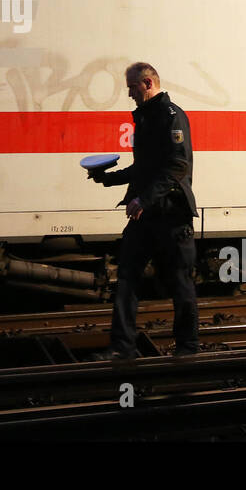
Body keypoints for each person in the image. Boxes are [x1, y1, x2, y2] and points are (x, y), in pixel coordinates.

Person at [88, 62, 199, 359]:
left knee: (180, 283)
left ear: (148, 83)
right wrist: (108, 178)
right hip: (146, 214)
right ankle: (122, 348)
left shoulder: (171, 116)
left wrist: (143, 199)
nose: (129, 94)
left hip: (172, 214)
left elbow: (177, 165)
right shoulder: (148, 118)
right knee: (127, 278)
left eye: (132, 87)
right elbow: (144, 168)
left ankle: (187, 350)